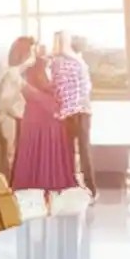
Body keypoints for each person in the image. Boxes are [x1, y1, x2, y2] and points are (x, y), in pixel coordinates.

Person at [10, 51, 78, 211]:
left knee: (44, 162)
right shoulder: (34, 81)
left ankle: (45, 200)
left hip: (43, 124)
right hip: (42, 124)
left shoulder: (36, 82)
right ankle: (45, 200)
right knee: (46, 162)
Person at [51, 31, 96, 200]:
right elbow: (86, 87)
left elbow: (56, 88)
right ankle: (91, 188)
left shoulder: (56, 63)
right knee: (84, 150)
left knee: (68, 151)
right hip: (83, 111)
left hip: (67, 113)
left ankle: (71, 186)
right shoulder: (79, 61)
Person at [0, 37, 32, 179]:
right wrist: (20, 115)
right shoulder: (13, 74)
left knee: (11, 158)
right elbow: (6, 101)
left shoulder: (14, 72)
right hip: (10, 120)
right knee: (11, 158)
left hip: (11, 118)